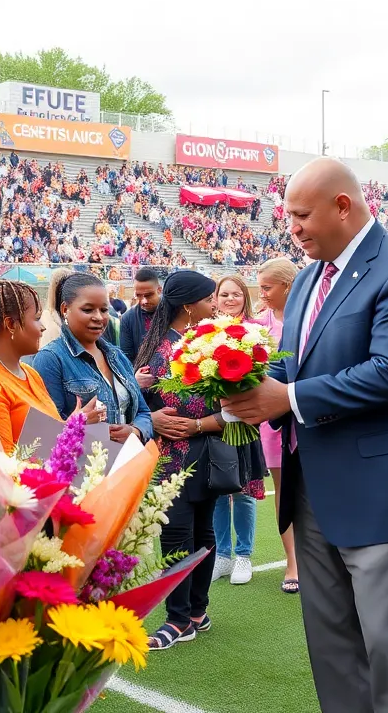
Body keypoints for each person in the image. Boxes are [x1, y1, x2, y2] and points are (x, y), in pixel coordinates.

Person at [223, 159, 388, 713]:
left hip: (382, 492)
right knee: (333, 650)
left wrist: (289, 399)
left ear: (343, 205)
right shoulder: (306, 279)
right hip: (310, 490)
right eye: (287, 217)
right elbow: (292, 367)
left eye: (301, 215)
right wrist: (239, 394)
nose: (291, 229)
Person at [137, 271, 231, 651]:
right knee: (178, 534)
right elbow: (137, 401)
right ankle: (183, 615)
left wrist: (199, 423)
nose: (216, 305)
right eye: (210, 299)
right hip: (169, 456)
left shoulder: (209, 343)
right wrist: (147, 406)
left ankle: (191, 614)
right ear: (189, 306)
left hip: (204, 450)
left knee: (202, 532)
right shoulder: (161, 347)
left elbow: (226, 403)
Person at [0, 280, 89, 454]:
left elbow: (44, 437)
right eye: (36, 318)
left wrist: (73, 426)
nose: (43, 327)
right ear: (11, 325)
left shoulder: (29, 372)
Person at [33, 272, 153, 445]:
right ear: (65, 309)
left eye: (104, 310)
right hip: (83, 467)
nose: (99, 317)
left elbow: (143, 413)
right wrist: (78, 425)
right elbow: (44, 436)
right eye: (88, 310)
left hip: (127, 465)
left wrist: (134, 431)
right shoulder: (50, 359)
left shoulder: (117, 356)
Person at [210, 274, 268, 586]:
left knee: (244, 491)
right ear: (215, 298)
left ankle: (243, 554)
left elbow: (265, 375)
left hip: (246, 421)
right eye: (224, 294)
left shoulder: (257, 332)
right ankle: (222, 554)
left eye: (236, 294)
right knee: (220, 489)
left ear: (245, 297)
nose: (230, 300)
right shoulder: (204, 334)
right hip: (216, 424)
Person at [254, 257, 301, 593]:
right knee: (284, 490)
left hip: (307, 412)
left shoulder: (312, 318)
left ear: (287, 285)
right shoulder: (258, 325)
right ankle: (293, 562)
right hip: (273, 422)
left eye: (267, 287)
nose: (263, 294)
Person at [120, 267, 162, 368]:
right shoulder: (128, 318)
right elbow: (126, 358)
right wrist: (135, 376)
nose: (144, 301)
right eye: (139, 295)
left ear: (159, 290)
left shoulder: (174, 310)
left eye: (149, 295)